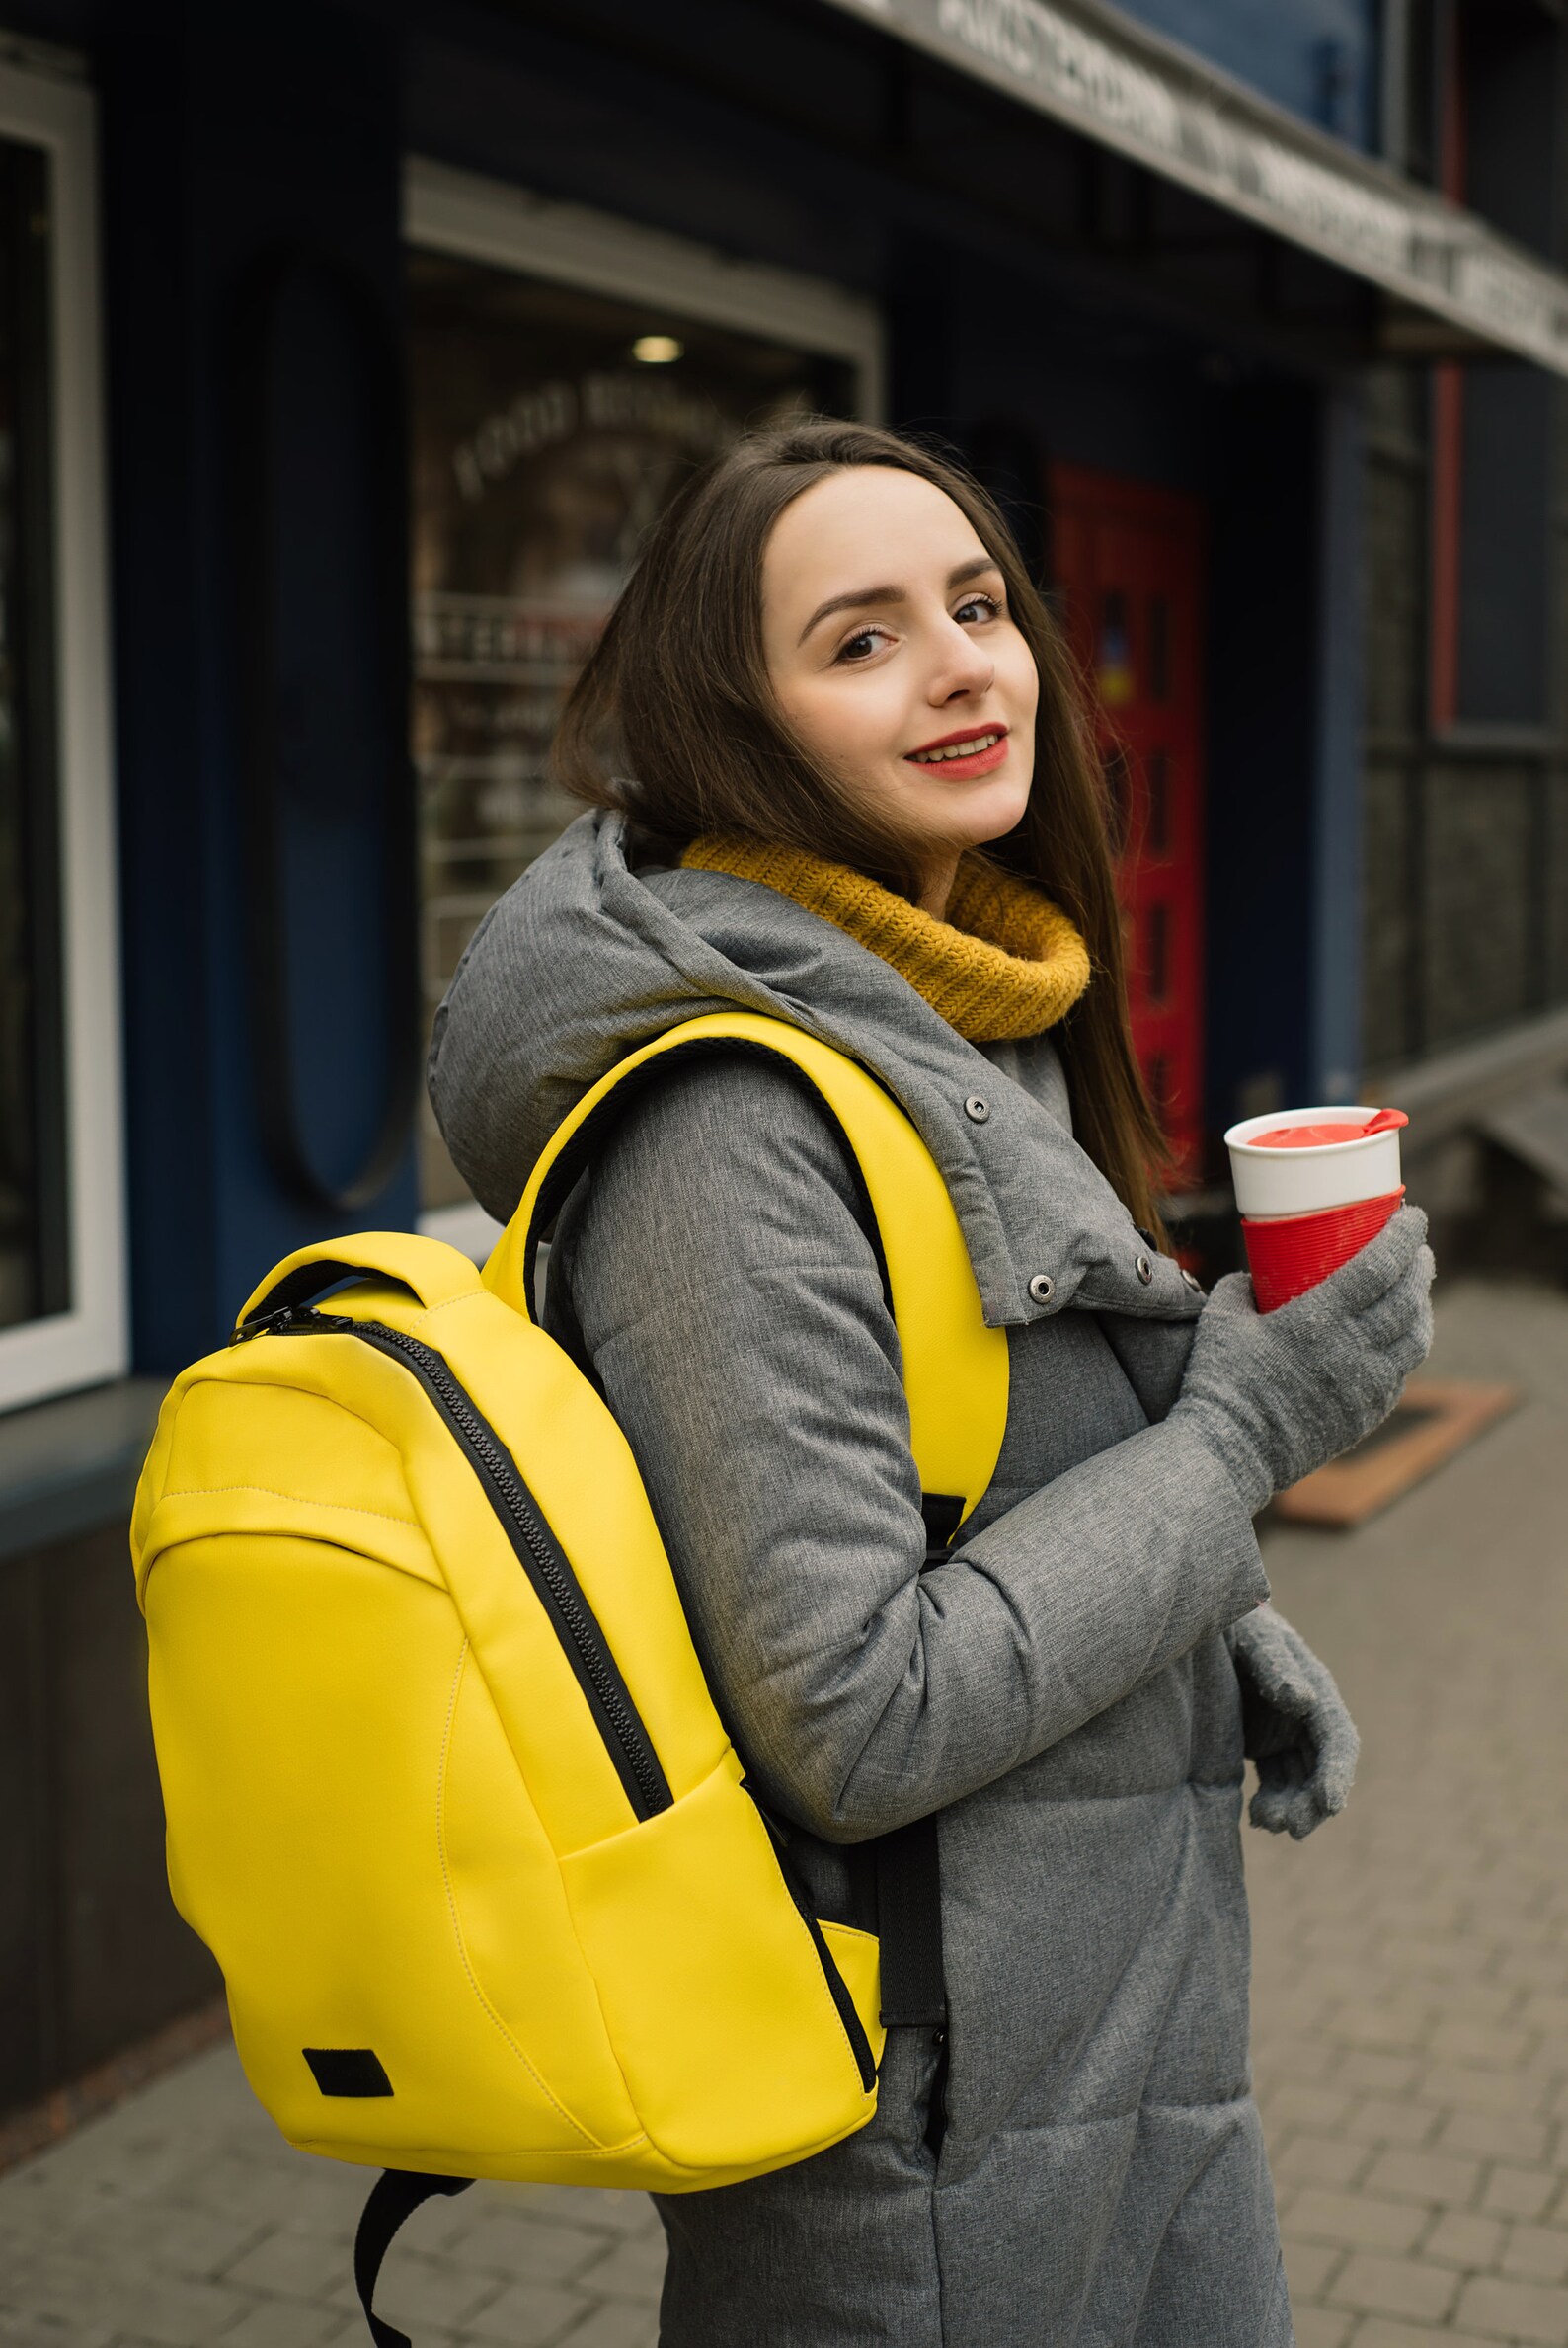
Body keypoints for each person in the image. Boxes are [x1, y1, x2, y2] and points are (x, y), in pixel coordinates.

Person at [429, 420, 1434, 2347]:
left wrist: (1214, 1637)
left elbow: (982, 1494)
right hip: (924, 2153)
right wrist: (1235, 1443)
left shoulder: (972, 1001)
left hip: (1099, 2049)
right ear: (740, 723)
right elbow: (848, 1712)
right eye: (860, 636)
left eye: (975, 605)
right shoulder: (735, 1121)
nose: (966, 663)